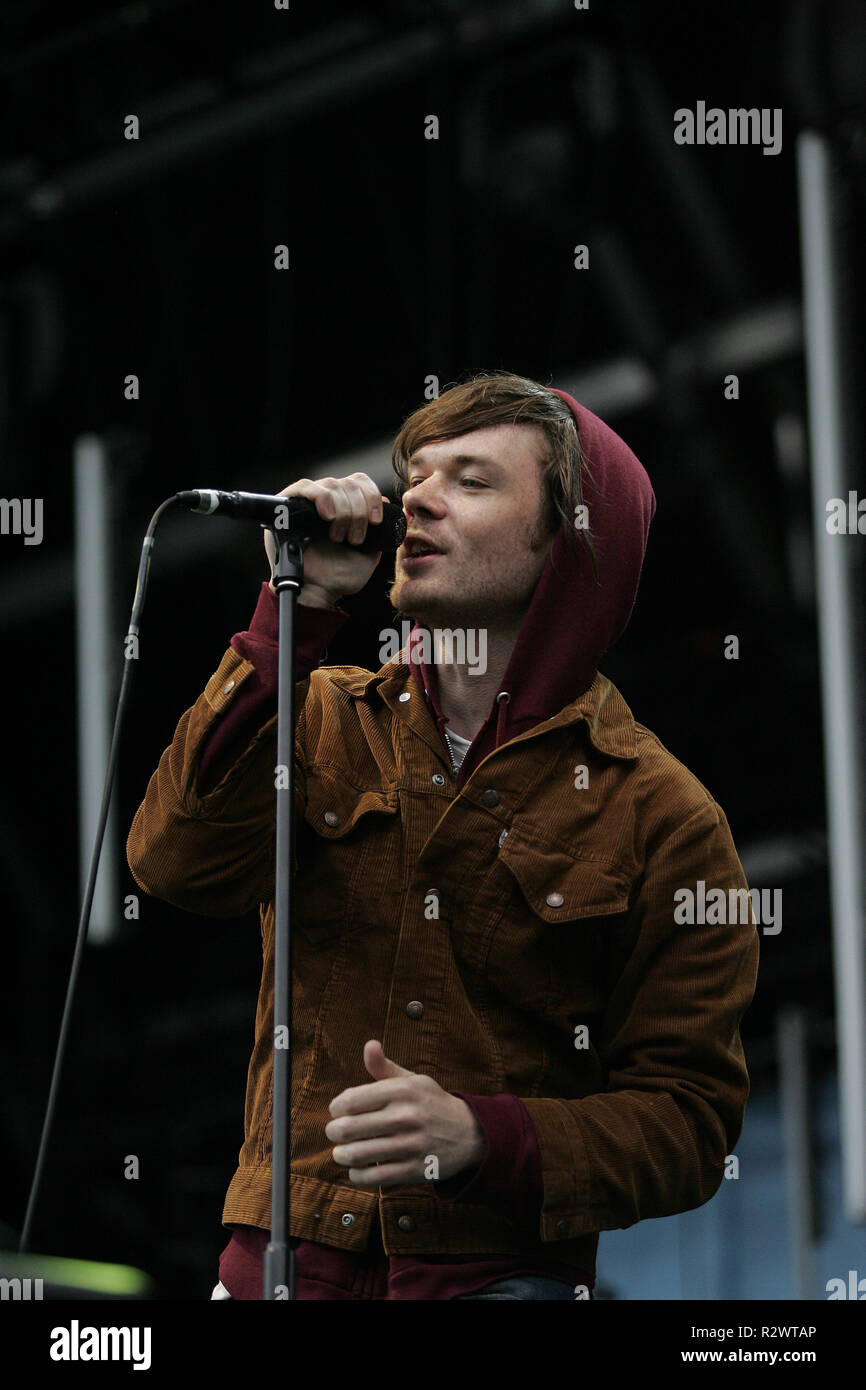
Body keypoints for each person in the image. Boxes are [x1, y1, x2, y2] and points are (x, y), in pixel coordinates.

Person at [127, 370, 759, 1301]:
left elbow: (692, 1125)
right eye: (413, 474)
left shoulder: (664, 816)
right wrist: (288, 619)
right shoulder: (319, 714)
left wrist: (484, 1140)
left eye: (471, 479)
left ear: (571, 540)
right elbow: (168, 861)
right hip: (279, 1269)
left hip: (497, 1280)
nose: (415, 497)